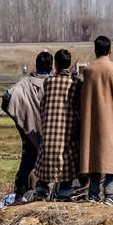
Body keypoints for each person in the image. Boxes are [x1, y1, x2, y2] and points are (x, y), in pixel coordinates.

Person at [79, 36, 113, 203]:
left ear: (95, 51)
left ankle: (93, 194)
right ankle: (110, 194)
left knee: (93, 155)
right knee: (112, 155)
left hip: (92, 122)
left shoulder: (88, 71)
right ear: (110, 51)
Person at [2, 51, 51, 203]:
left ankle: (18, 197)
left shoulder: (25, 84)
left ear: (36, 65)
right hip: (51, 134)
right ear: (51, 66)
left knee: (26, 165)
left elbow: (7, 98)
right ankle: (56, 195)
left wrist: (21, 120)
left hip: (28, 132)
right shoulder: (55, 83)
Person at [34, 49, 81, 201]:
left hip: (49, 132)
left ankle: (41, 192)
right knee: (67, 163)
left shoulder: (48, 82)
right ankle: (64, 194)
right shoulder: (76, 83)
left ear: (55, 65)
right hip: (67, 132)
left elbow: (43, 106)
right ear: (70, 65)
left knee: (45, 162)